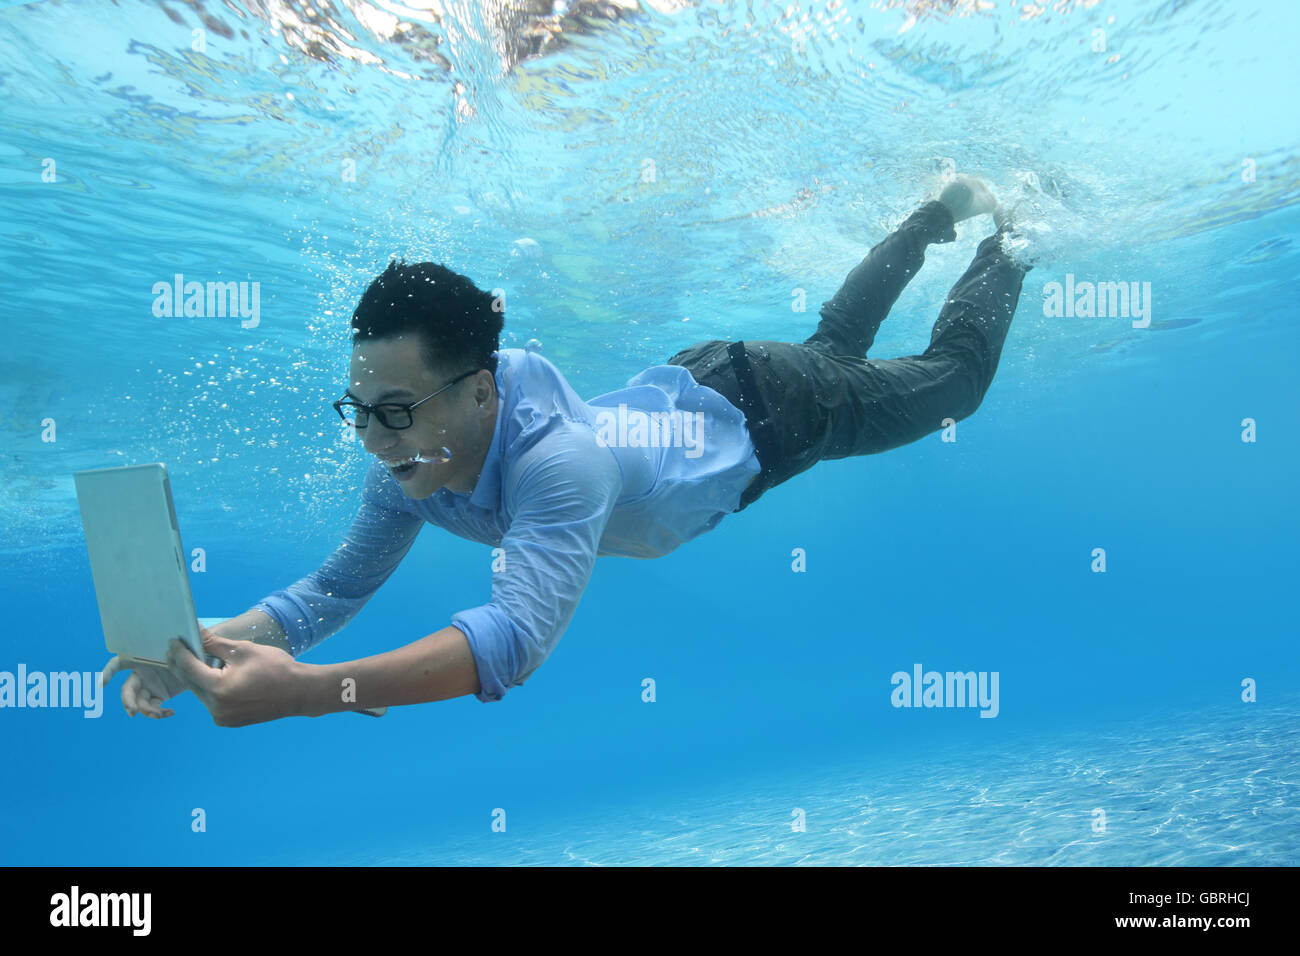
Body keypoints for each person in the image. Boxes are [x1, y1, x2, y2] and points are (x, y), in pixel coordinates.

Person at [103, 176, 1031, 726]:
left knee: (952, 386)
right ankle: (928, 216)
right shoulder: (408, 465)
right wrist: (205, 643)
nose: (374, 439)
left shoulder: (558, 464)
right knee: (834, 341)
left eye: (396, 409)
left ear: (478, 390)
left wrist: (311, 693)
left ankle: (1014, 241)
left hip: (774, 414)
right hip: (700, 382)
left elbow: (514, 642)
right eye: (361, 409)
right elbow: (333, 594)